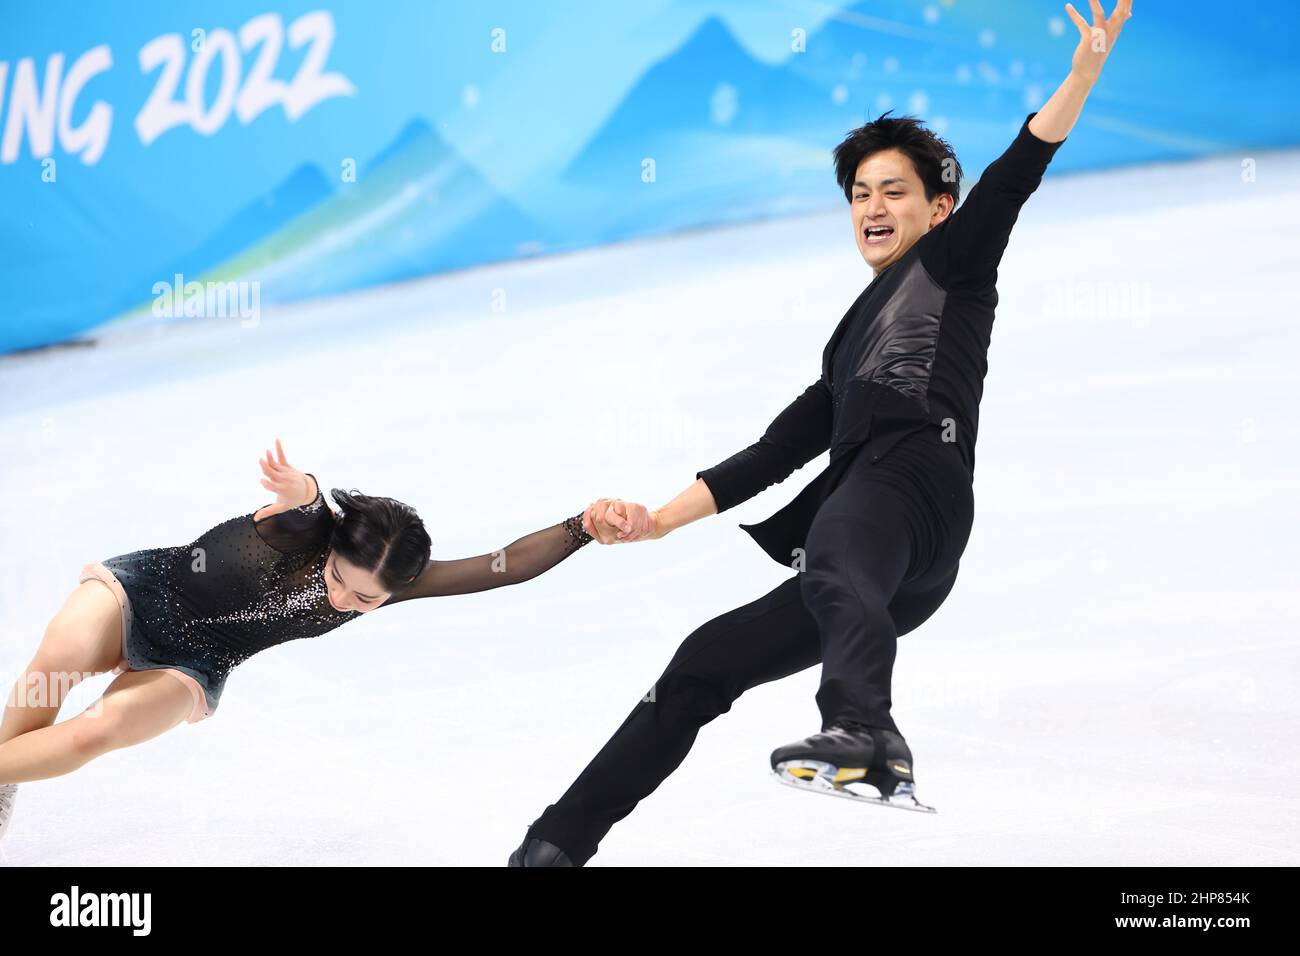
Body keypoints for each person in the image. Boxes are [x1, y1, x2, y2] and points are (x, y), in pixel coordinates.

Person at [509, 0, 1133, 866]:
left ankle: (865, 734)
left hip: (913, 485)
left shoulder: (953, 262)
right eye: (859, 194)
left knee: (839, 530)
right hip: (880, 576)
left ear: (939, 208)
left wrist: (1081, 76)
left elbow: (1017, 170)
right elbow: (767, 457)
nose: (872, 208)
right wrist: (654, 520)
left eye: (894, 193)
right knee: (703, 662)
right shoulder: (845, 355)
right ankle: (552, 847)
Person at [0, 439, 594, 843]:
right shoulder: (304, 530)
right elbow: (307, 500)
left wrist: (583, 528)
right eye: (337, 579)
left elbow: (503, 566)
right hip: (142, 594)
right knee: (57, 663)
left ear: (397, 589)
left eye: (365, 600)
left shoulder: (400, 583)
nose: (342, 601)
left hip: (199, 661)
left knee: (95, 733)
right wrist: (304, 489)